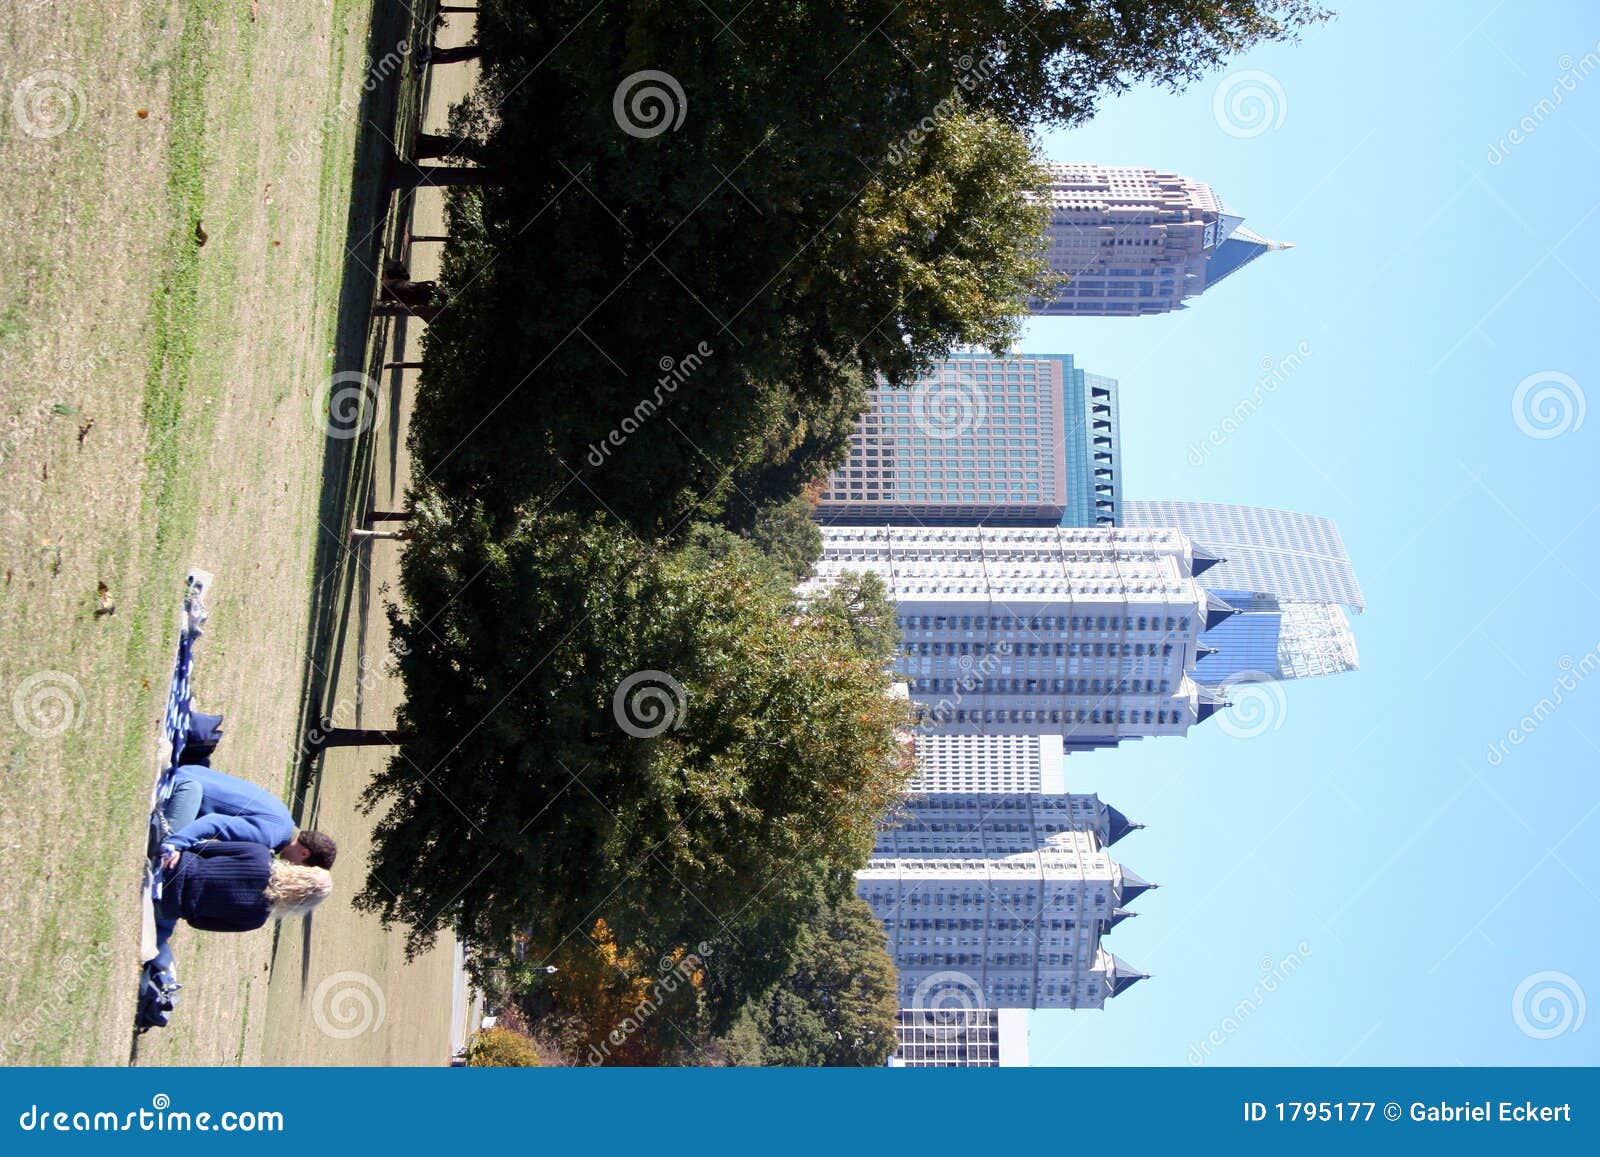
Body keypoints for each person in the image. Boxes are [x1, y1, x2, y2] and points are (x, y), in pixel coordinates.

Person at [152, 842, 331, 964]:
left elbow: (203, 848)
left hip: (170, 866)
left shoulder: (259, 854)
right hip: (168, 906)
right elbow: (198, 922)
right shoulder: (255, 920)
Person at [158, 764, 336, 869]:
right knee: (165, 859)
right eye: (301, 868)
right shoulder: (270, 836)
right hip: (185, 790)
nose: (293, 870)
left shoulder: (284, 818)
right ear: (304, 853)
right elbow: (212, 823)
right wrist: (175, 846)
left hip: (192, 771)